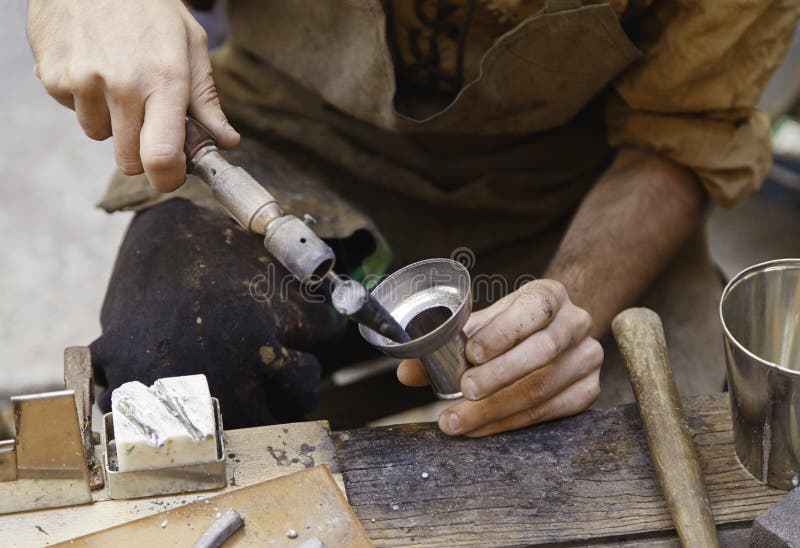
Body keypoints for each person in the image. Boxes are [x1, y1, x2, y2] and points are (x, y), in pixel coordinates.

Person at [27, 0, 800, 433]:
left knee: (684, 450)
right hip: (284, 134)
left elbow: (679, 134)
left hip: (567, 189)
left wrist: (575, 307)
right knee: (172, 373)